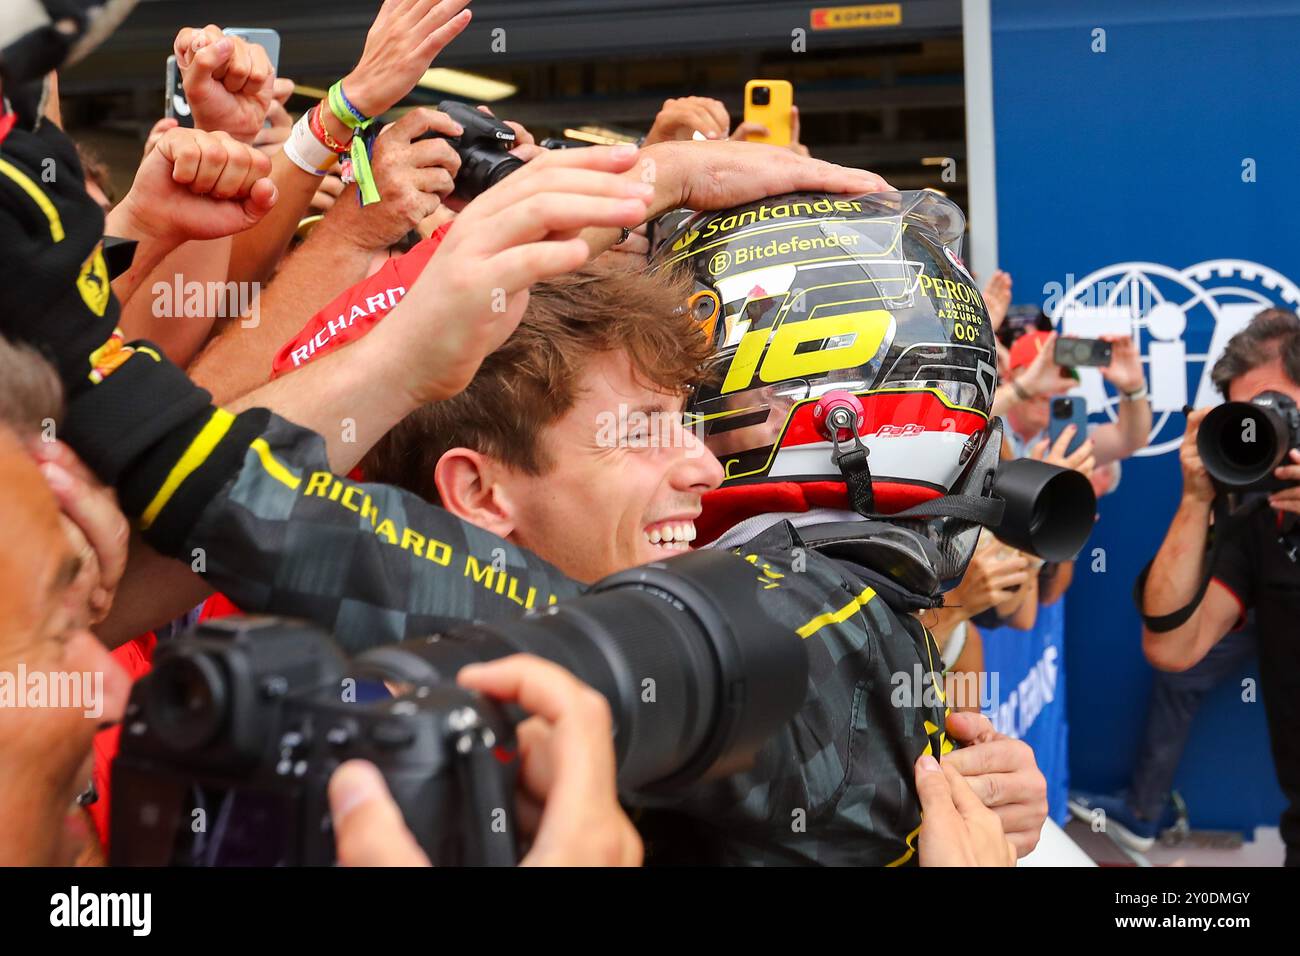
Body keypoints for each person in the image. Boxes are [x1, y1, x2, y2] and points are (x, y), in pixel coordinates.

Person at [1137, 307, 1300, 865]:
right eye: (1248, 415)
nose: (1265, 428)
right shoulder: (1260, 517)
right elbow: (1172, 645)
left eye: (1279, 410)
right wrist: (1196, 500)